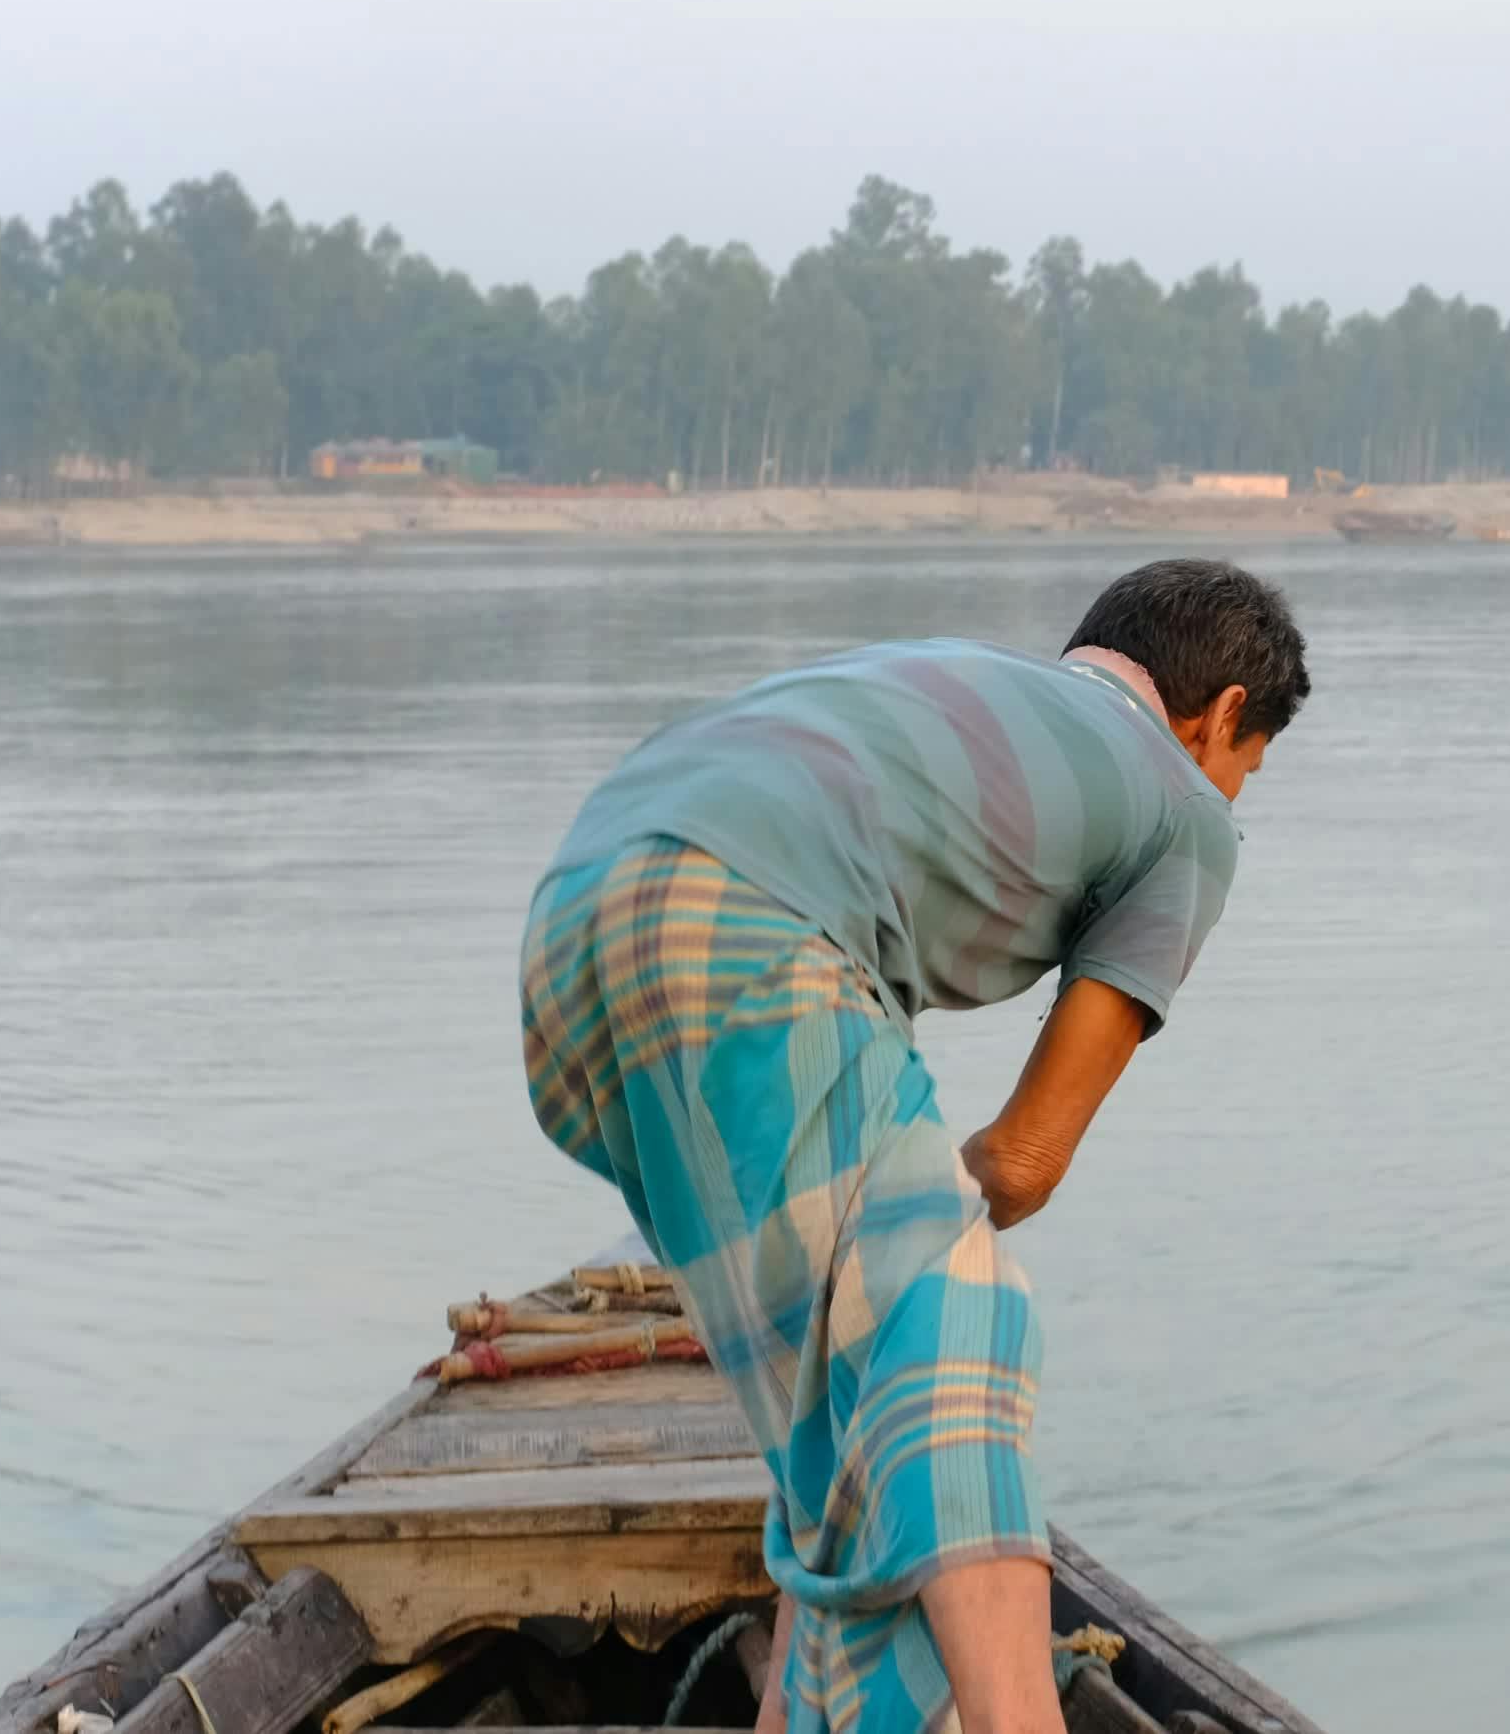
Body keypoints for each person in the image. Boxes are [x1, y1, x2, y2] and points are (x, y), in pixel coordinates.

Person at [520, 558, 1309, 1734]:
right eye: (1248, 772)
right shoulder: (1184, 808)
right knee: (957, 1332)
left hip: (570, 936)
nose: (1235, 797)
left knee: (831, 1443)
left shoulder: (972, 684)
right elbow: (1030, 1159)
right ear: (1222, 717)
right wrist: (937, 1231)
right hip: (740, 917)